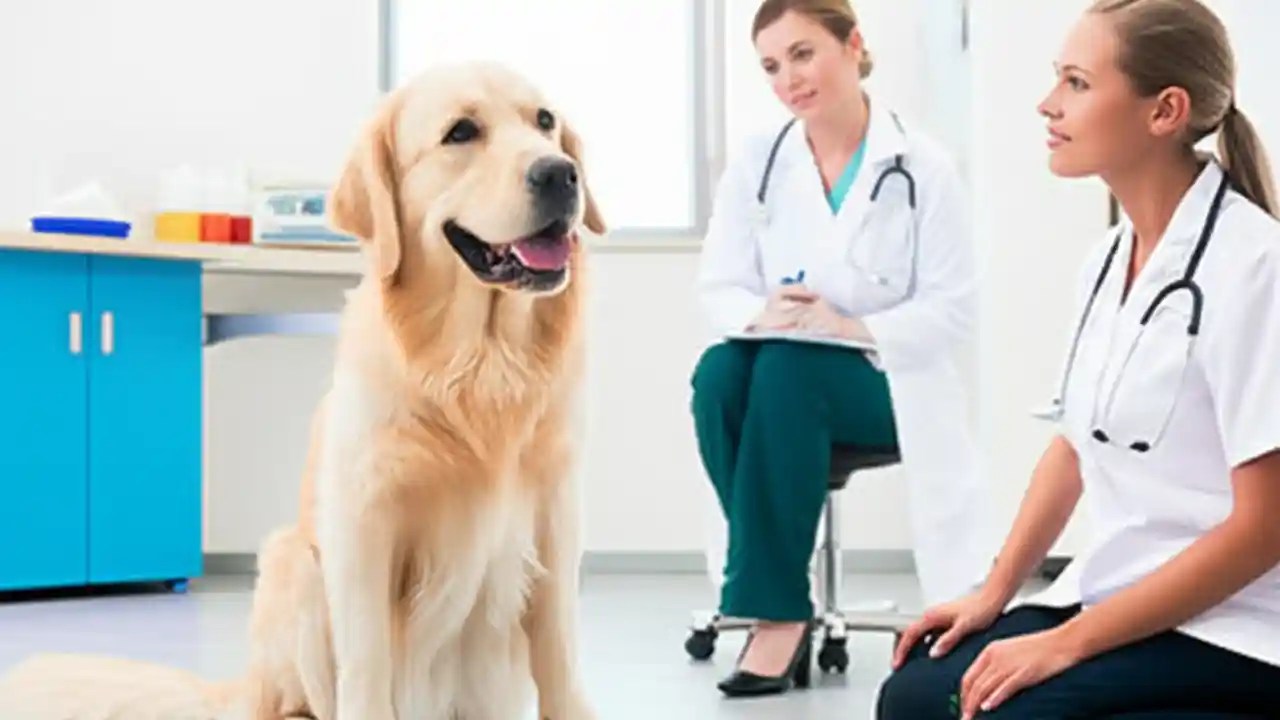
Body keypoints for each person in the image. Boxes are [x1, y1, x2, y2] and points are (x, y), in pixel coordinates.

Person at [877, 1, 1280, 718]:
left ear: (1165, 112)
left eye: (1076, 83)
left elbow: (1265, 528)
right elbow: (1073, 446)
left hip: (1238, 626)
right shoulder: (1108, 260)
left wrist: (1068, 643)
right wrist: (994, 592)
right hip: (1123, 590)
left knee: (997, 712)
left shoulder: (1256, 267)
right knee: (913, 697)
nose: (1047, 104)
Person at [690, 0, 992, 698]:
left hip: (886, 385)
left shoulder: (923, 167)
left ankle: (775, 615)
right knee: (719, 376)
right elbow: (719, 285)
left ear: (853, 44)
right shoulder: (759, 161)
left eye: (803, 53)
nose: (788, 79)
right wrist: (765, 311)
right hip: (779, 368)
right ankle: (780, 587)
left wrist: (846, 326)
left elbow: (954, 311)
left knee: (790, 370)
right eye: (770, 65)